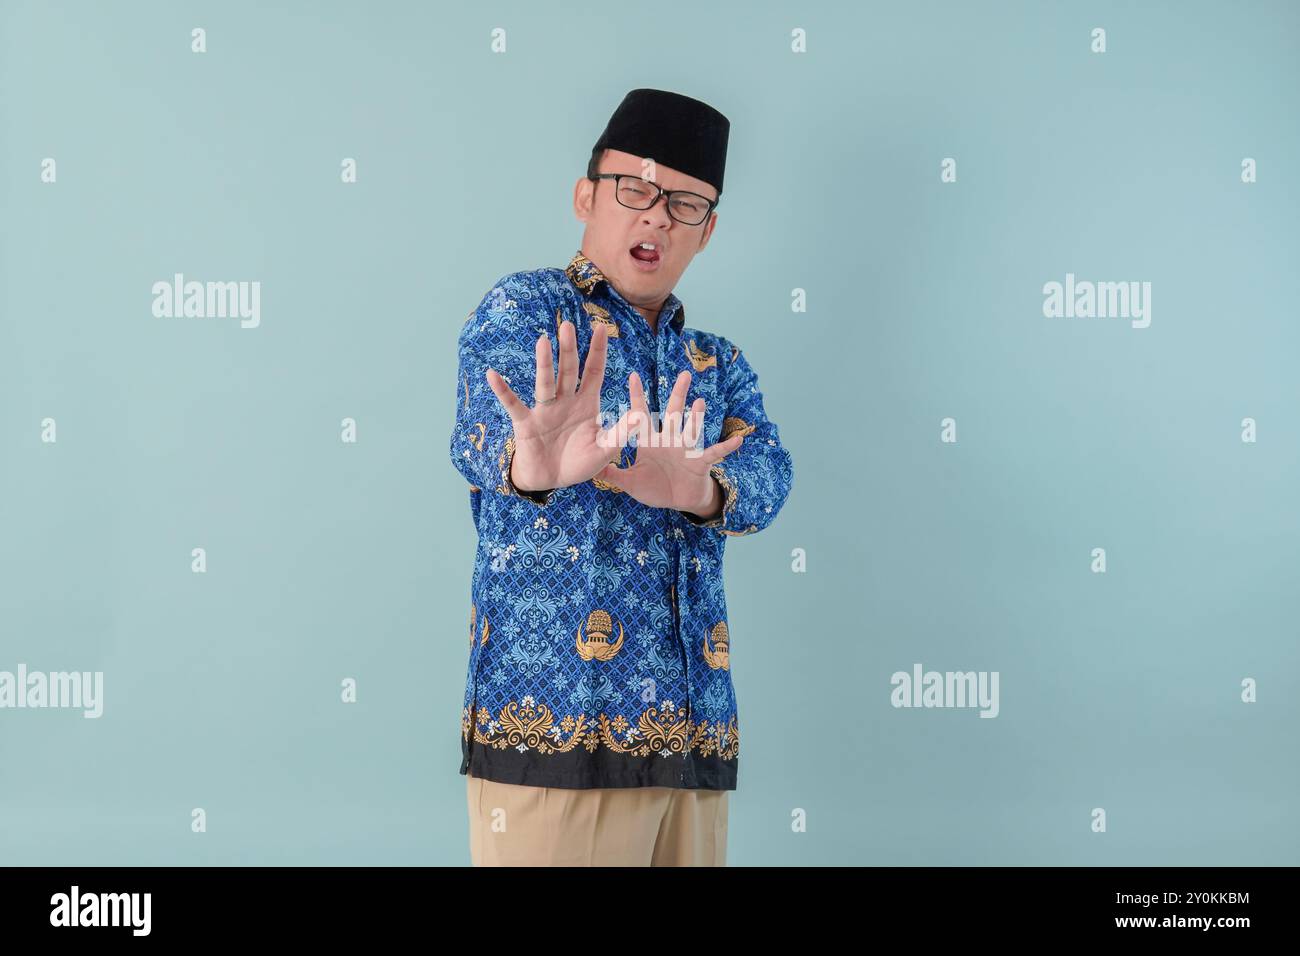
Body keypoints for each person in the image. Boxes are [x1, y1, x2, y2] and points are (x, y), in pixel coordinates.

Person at [450, 88, 794, 866]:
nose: (657, 217)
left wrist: (700, 492)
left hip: (694, 736)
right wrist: (529, 465)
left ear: (707, 232)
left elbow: (770, 478)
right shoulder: (527, 309)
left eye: (685, 203)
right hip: (557, 738)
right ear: (586, 195)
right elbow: (477, 433)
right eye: (635, 190)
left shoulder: (717, 364)